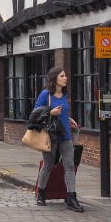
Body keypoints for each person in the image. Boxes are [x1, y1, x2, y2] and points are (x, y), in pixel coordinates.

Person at [33, 66, 83, 211]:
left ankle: (71, 197)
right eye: (62, 76)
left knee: (69, 165)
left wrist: (68, 118)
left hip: (65, 136)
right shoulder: (45, 95)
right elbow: (35, 113)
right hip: (50, 136)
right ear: (54, 78)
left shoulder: (65, 96)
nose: (65, 78)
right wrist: (50, 112)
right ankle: (41, 193)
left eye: (65, 76)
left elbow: (62, 113)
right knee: (48, 164)